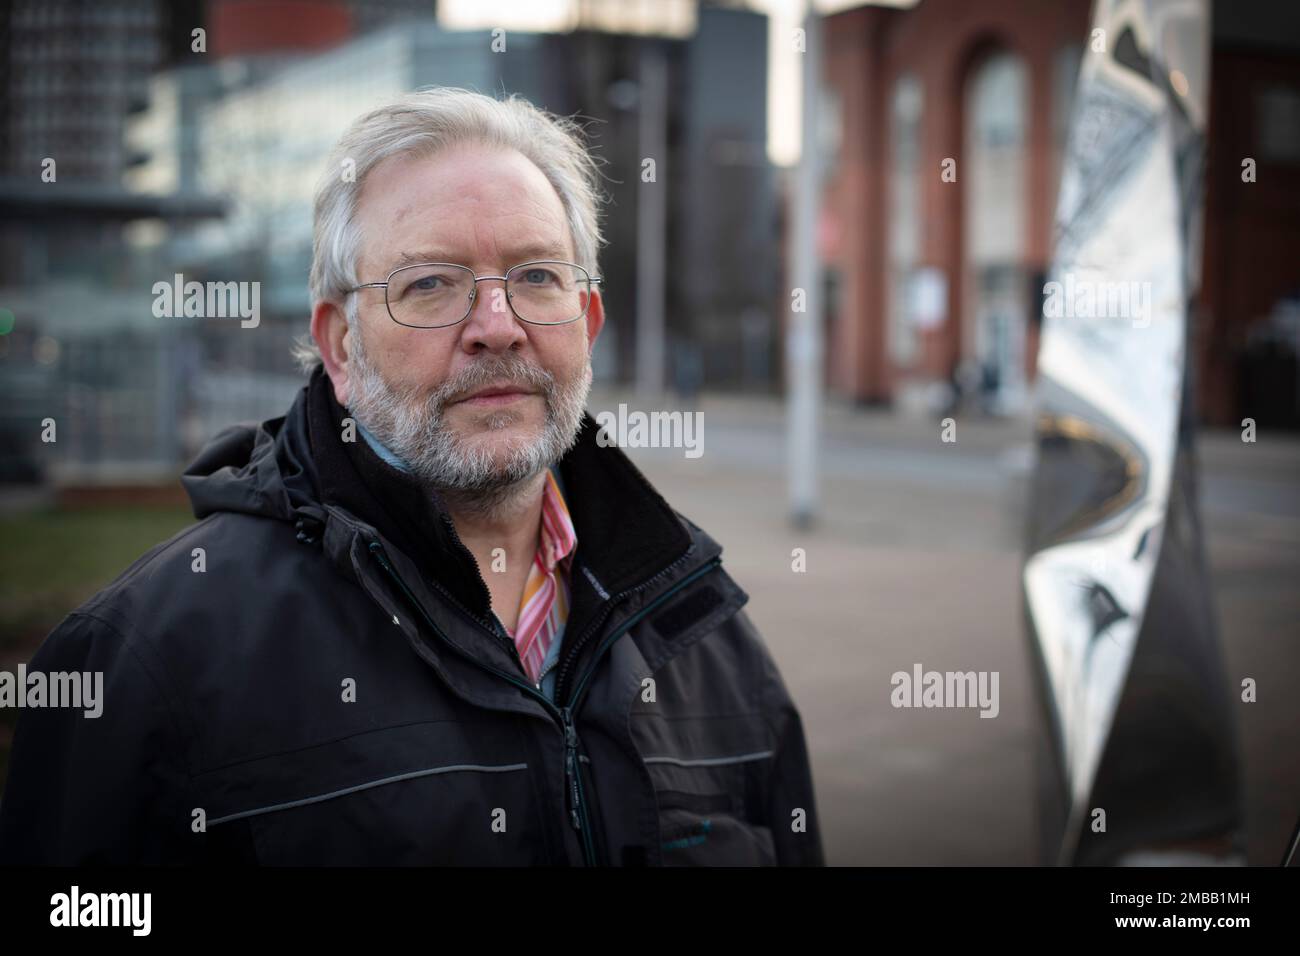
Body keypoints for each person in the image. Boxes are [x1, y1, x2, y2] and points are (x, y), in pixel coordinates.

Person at [0, 87, 824, 866]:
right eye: (430, 284)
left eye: (537, 276)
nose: (496, 328)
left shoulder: (706, 636)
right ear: (340, 347)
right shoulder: (148, 662)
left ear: (589, 322)